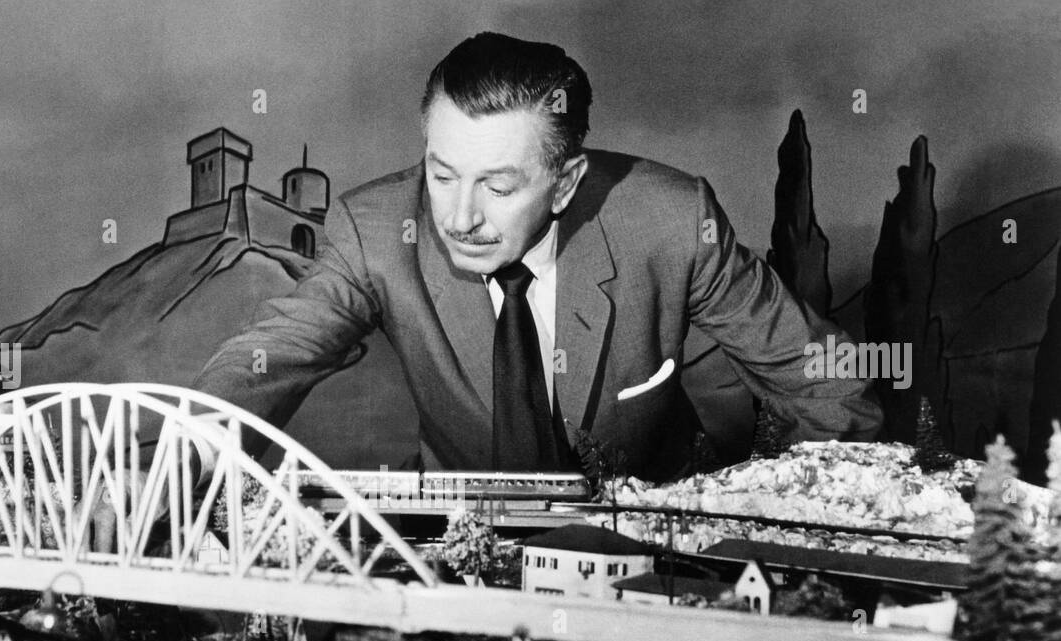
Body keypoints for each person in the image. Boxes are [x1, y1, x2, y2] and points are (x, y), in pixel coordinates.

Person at [191, 33, 882, 480]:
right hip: (461, 545)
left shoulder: (673, 221)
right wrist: (174, 467)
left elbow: (821, 378)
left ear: (567, 181)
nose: (459, 217)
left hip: (649, 552)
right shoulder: (373, 230)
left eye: (498, 186)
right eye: (440, 173)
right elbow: (269, 356)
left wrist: (833, 519)